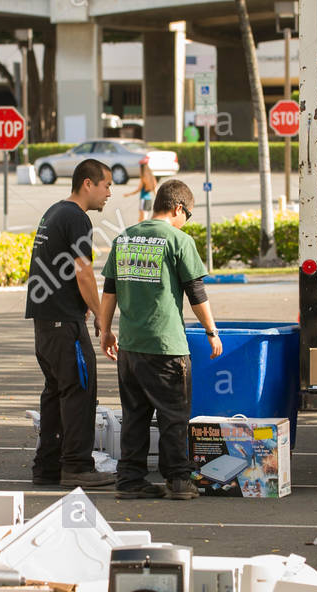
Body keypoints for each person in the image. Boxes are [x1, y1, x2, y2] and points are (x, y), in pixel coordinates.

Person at [98, 179, 223, 500]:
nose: (187, 222)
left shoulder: (123, 239)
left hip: (129, 348)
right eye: (189, 215)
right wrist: (212, 332)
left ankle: (130, 480)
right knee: (174, 416)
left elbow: (109, 291)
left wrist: (105, 330)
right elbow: (196, 292)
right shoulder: (178, 240)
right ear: (178, 208)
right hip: (166, 348)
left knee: (135, 416)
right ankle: (179, 480)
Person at [25, 158, 115, 489]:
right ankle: (76, 466)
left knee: (55, 393)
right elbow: (83, 271)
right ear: (87, 184)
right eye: (106, 185)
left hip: (47, 320)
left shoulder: (54, 212)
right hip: (63, 323)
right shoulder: (77, 218)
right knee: (79, 390)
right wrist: (103, 321)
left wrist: (83, 308)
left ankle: (47, 467)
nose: (109, 193)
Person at [125, 158, 157, 222]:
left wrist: (128, 194)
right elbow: (155, 191)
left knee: (142, 219)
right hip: (149, 200)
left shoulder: (143, 178)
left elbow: (138, 190)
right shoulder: (152, 178)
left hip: (143, 200)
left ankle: (142, 231)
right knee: (145, 217)